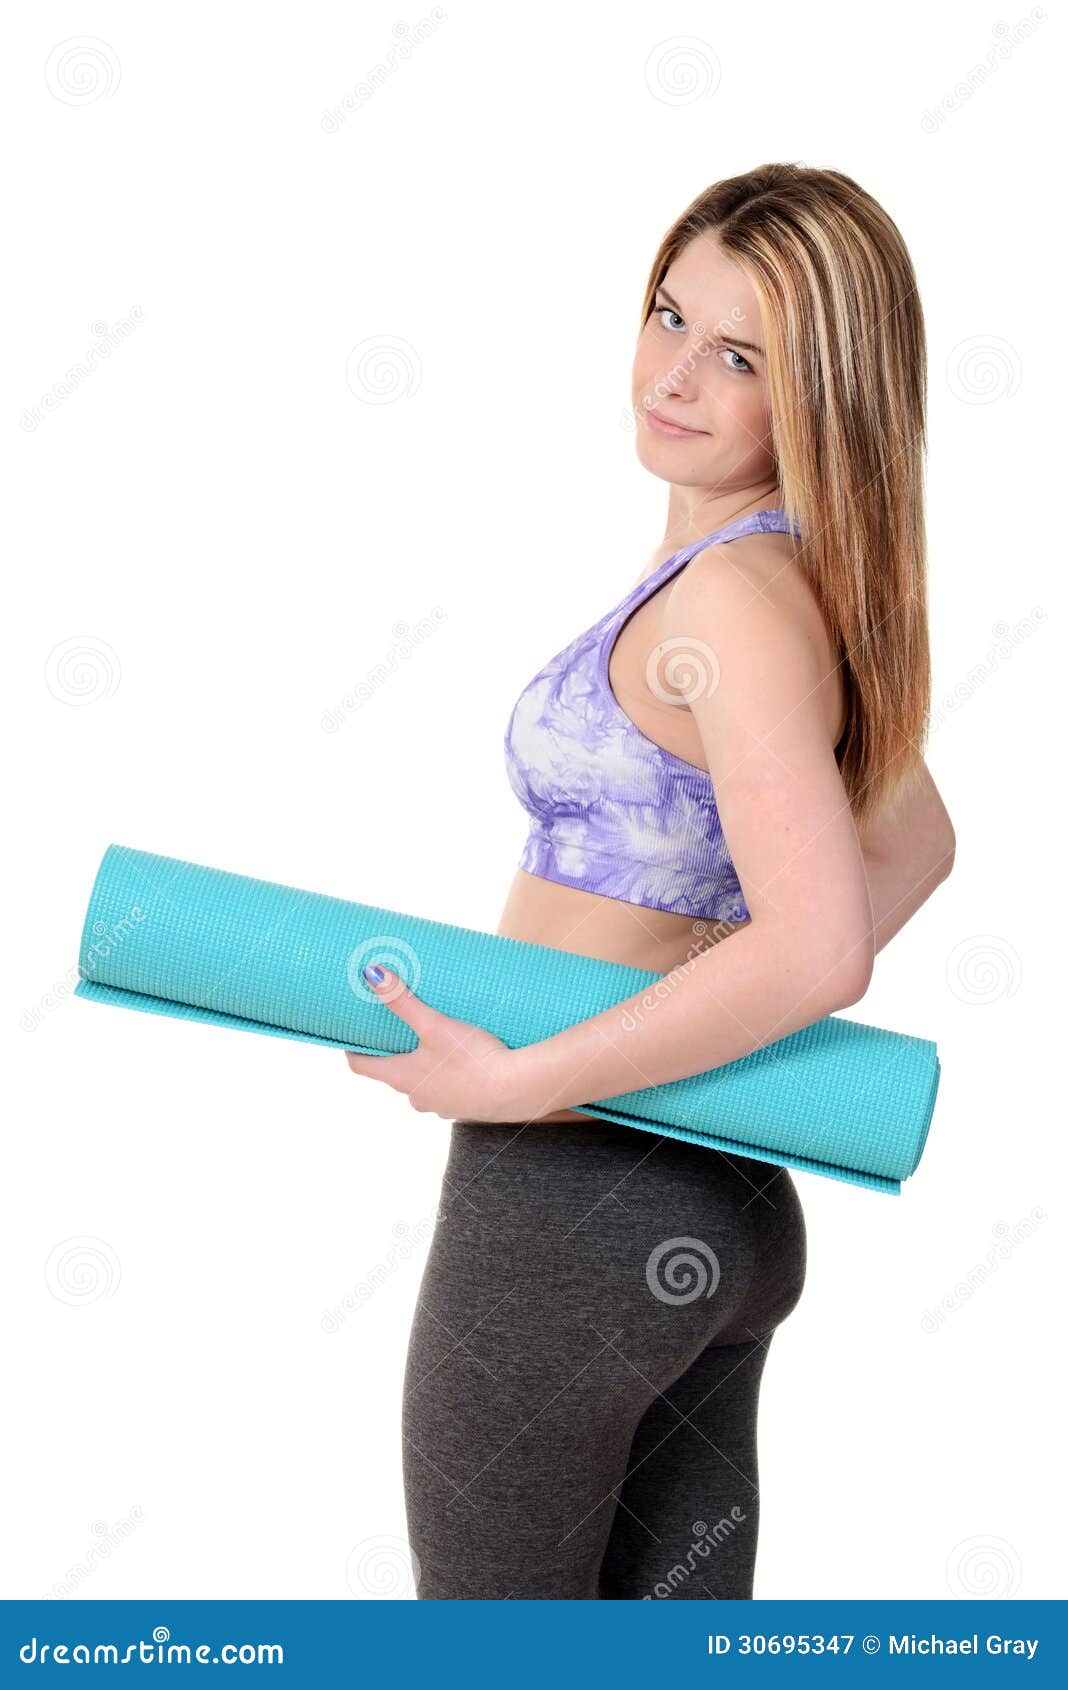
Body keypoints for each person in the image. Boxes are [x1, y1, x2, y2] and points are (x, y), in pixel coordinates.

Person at [346, 162, 956, 1599]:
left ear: (822, 395)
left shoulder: (731, 608)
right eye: (668, 314)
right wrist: (698, 1006)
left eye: (738, 356)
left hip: (571, 1208)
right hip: (714, 1202)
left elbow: (817, 951)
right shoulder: (795, 586)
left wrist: (529, 1081)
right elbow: (915, 841)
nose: (674, 375)